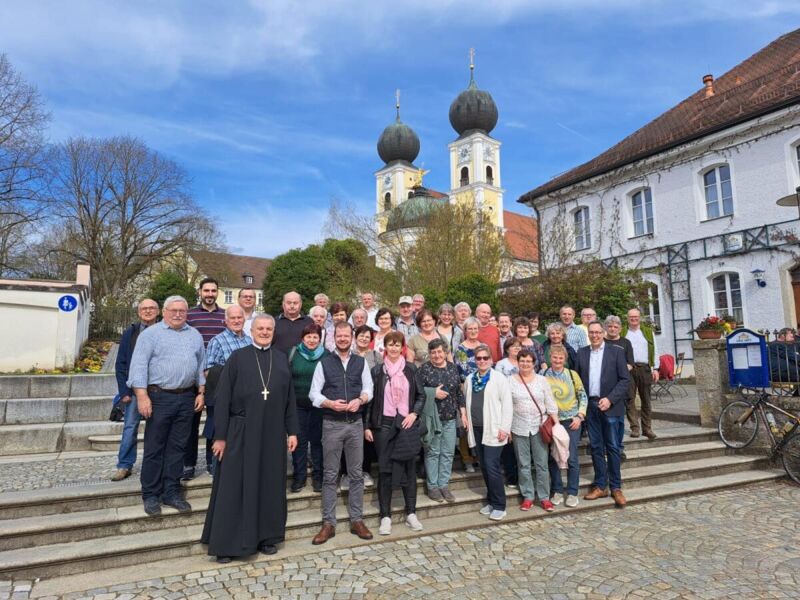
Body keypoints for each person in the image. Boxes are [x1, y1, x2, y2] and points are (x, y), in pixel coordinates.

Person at [201, 314, 299, 562]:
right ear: (251, 330)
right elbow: (222, 399)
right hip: (240, 431)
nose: (264, 332)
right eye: (260, 328)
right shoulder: (237, 358)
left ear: (274, 331)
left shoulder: (280, 359)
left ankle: (266, 537)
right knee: (234, 487)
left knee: (269, 485)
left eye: (268, 329)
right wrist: (220, 436)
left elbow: (290, 400)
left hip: (272, 432)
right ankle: (227, 544)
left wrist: (293, 431)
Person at [128, 295, 205, 516]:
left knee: (178, 447)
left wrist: (201, 390)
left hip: (186, 397)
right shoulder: (150, 335)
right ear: (164, 312)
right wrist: (142, 396)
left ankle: (172, 491)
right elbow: (139, 366)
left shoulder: (194, 335)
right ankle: (151, 494)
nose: (178, 314)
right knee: (155, 447)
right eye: (173, 310)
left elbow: (201, 364)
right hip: (159, 397)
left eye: (182, 310)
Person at [309, 321, 374, 545]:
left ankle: (357, 519)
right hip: (332, 424)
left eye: (347, 335)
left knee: (356, 475)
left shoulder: (360, 362)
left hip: (355, 424)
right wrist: (328, 403)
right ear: (334, 337)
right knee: (330, 475)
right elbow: (313, 394)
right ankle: (329, 523)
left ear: (352, 337)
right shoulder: (324, 363)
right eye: (340, 335)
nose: (343, 339)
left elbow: (369, 389)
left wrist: (360, 399)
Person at [365, 331, 425, 535]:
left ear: (402, 347)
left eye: (397, 345)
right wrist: (366, 426)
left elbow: (421, 396)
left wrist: (414, 414)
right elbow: (370, 401)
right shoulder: (377, 371)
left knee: (409, 468)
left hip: (405, 423)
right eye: (389, 344)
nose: (393, 348)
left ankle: (411, 513)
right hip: (383, 426)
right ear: (384, 347)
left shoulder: (410, 369)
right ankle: (385, 516)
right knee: (385, 471)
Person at [576, 321, 631, 508]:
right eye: (591, 332)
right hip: (591, 406)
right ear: (588, 335)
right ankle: (601, 485)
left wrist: (610, 399)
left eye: (598, 332)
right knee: (596, 447)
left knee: (613, 447)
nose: (595, 335)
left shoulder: (616, 352)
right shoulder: (582, 353)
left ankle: (616, 487)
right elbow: (577, 381)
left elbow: (625, 380)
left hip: (610, 406)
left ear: (603, 333)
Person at [111, 298, 159, 481]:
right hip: (133, 390)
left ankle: (152, 463)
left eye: (151, 308)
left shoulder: (165, 331)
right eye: (144, 308)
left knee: (156, 430)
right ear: (139, 312)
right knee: (130, 428)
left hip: (157, 390)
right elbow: (121, 363)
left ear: (158, 311)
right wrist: (124, 392)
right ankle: (124, 465)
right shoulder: (130, 333)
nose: (148, 311)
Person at [464, 345, 513, 521]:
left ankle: (500, 505)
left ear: (491, 360)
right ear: (475, 360)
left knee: (492, 466)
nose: (482, 361)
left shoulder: (499, 379)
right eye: (479, 358)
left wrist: (505, 428)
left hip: (493, 428)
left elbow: (507, 405)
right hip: (476, 428)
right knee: (484, 466)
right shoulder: (470, 379)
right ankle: (491, 501)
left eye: (485, 358)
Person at [184, 278, 226, 481]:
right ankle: (188, 463)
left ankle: (212, 460)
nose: (210, 294)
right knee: (191, 423)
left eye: (213, 290)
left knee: (215, 421)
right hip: (194, 377)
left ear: (218, 292)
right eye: (206, 290)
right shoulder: (190, 315)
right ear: (200, 292)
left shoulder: (225, 316)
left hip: (217, 379)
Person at [204, 305, 253, 476]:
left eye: (239, 317)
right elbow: (208, 369)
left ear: (244, 319)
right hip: (224, 395)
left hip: (245, 398)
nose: (237, 321)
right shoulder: (217, 341)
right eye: (233, 318)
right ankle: (214, 465)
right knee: (218, 429)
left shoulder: (249, 341)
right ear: (226, 321)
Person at [415, 338, 466, 503]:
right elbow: (417, 392)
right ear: (429, 354)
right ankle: (433, 486)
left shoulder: (452, 368)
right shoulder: (424, 369)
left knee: (448, 452)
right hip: (432, 419)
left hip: (450, 418)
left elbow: (459, 393)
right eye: (433, 352)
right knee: (433, 452)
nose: (436, 355)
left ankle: (444, 485)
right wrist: (432, 392)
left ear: (445, 352)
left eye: (439, 352)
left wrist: (463, 414)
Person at [508, 349, 558, 512]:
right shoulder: (510, 381)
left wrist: (556, 425)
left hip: (539, 426)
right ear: (517, 362)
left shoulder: (542, 380)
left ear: (534, 363)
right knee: (523, 464)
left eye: (528, 361)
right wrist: (507, 427)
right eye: (522, 361)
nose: (525, 364)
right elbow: (507, 406)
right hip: (518, 426)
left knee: (541, 463)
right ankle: (528, 496)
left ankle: (544, 497)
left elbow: (550, 404)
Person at [543, 344, 587, 508]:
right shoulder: (544, 375)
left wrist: (580, 415)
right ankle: (557, 490)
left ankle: (573, 492)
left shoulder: (572, 374)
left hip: (571, 421)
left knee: (572, 457)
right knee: (554, 457)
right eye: (555, 357)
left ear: (565, 359)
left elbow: (583, 396)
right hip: (553, 422)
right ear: (550, 358)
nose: (557, 360)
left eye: (561, 358)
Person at [288, 323, 330, 493]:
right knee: (299, 442)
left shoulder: (326, 355)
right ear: (302, 338)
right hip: (298, 405)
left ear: (320, 339)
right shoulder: (293, 353)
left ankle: (318, 477)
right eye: (308, 336)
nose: (312, 340)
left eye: (315, 337)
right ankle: (299, 476)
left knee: (318, 441)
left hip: (319, 406)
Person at [623, 308, 660, 440]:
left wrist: (656, 368)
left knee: (646, 400)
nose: (633, 319)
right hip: (628, 369)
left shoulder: (648, 332)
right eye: (631, 317)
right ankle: (635, 428)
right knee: (629, 399)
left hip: (644, 368)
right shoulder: (623, 332)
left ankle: (647, 428)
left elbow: (655, 350)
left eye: (636, 317)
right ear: (627, 318)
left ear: (640, 318)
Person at [455, 317, 482, 474]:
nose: (472, 331)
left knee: (480, 422)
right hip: (466, 388)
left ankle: (478, 456)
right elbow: (462, 371)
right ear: (465, 331)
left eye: (475, 329)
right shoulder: (461, 349)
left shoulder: (483, 347)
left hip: (483, 389)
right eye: (469, 329)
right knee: (466, 423)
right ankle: (467, 459)